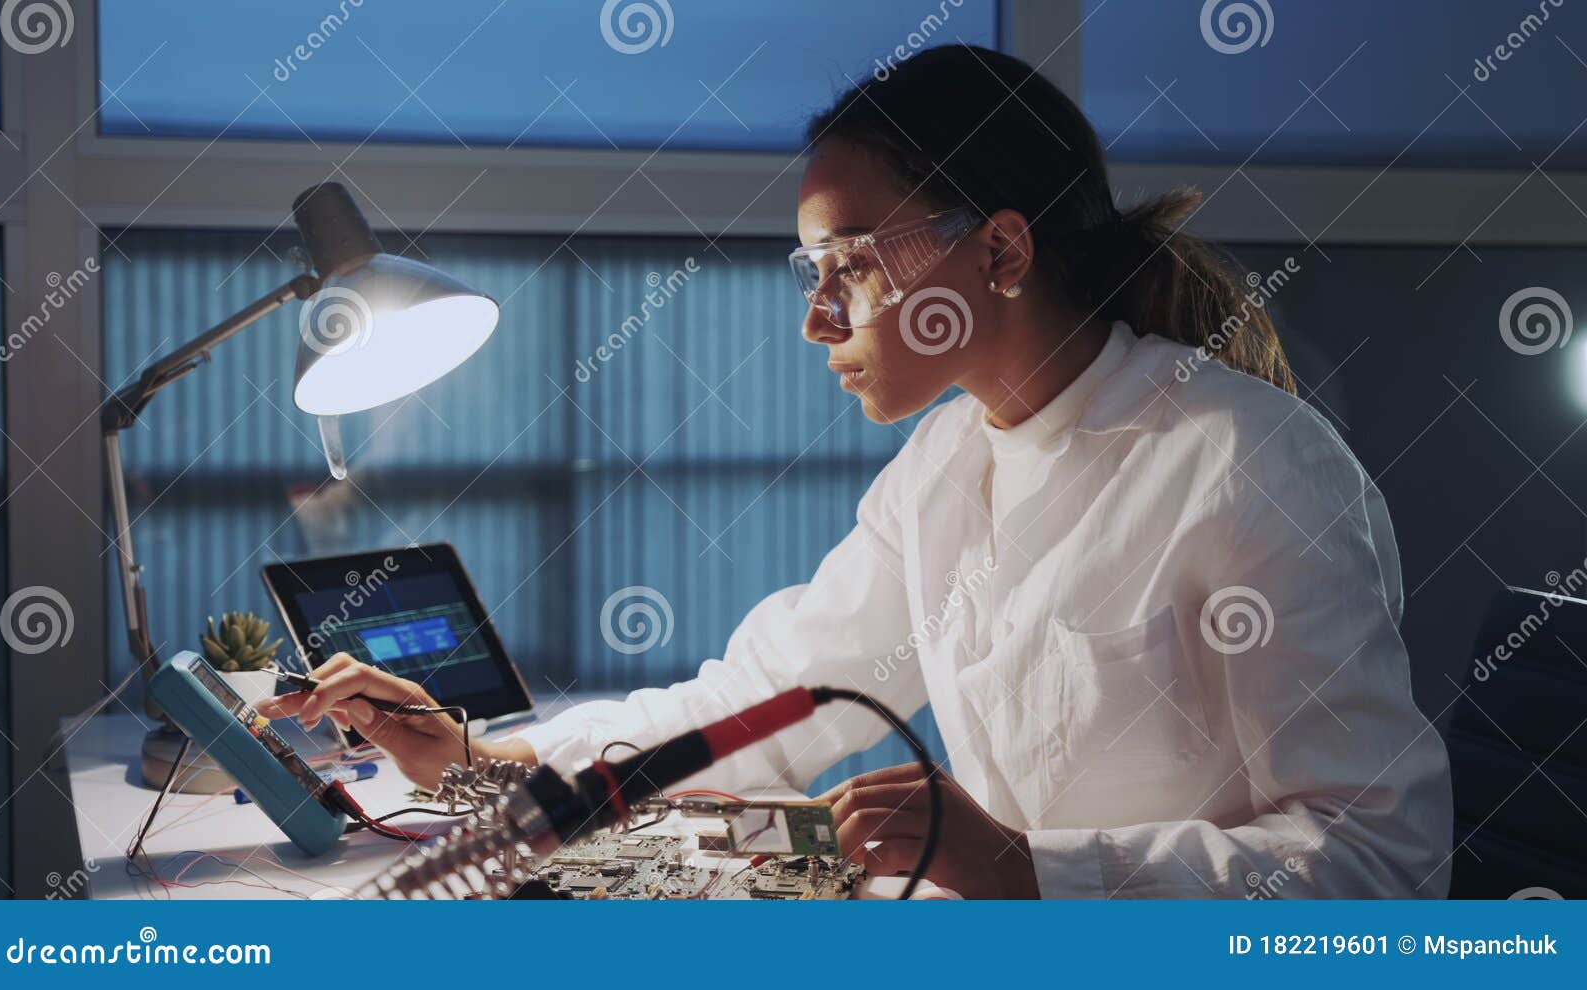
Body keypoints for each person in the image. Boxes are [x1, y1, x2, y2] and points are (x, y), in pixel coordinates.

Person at [261, 45, 1451, 899]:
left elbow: (1382, 861)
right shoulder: (946, 463)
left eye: (852, 264)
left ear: (1001, 250)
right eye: (808, 272)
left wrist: (1030, 870)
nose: (816, 318)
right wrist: (484, 761)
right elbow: (764, 706)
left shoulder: (1245, 463)